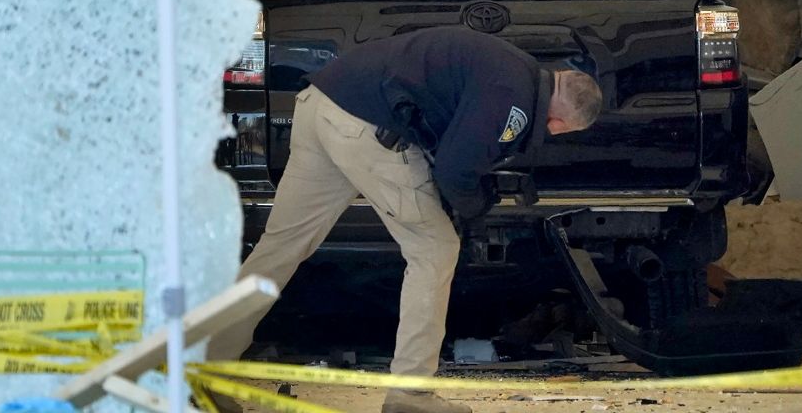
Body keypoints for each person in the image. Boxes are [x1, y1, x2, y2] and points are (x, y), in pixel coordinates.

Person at [207, 27, 603, 413]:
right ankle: (410, 396)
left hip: (321, 101)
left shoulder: (515, 67)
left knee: (282, 245)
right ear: (561, 123)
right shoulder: (512, 99)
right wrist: (476, 205)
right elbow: (454, 170)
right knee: (435, 248)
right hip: (367, 127)